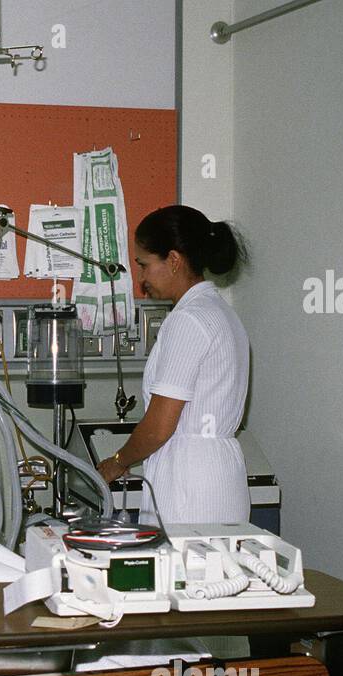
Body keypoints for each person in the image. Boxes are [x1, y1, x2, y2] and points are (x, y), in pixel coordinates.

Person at [96, 205, 250, 526]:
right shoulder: (222, 314)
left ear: (174, 261)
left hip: (188, 488)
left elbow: (159, 426)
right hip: (221, 482)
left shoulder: (188, 320)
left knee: (177, 575)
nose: (141, 280)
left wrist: (117, 461)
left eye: (144, 265)